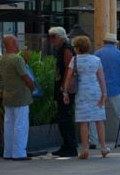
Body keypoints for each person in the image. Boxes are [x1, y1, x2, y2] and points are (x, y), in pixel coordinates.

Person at [64, 34, 109, 157]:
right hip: (96, 91)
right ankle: (103, 147)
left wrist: (65, 92)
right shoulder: (96, 60)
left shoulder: (75, 60)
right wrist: (104, 94)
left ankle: (85, 149)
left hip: (82, 92)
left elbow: (68, 77)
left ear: (77, 48)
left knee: (83, 121)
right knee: (99, 120)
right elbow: (101, 78)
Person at [0, 34, 35, 160]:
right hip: (21, 96)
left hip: (8, 96)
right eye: (17, 42)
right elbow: (25, 76)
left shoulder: (2, 59)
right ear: (13, 43)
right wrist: (33, 87)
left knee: (9, 125)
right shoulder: (17, 59)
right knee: (21, 125)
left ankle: (8, 152)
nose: (18, 44)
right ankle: (19, 153)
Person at [45, 26, 78, 158]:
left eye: (53, 36)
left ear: (60, 37)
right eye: (50, 36)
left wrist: (65, 88)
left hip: (65, 89)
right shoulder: (60, 49)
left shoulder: (66, 49)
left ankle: (70, 146)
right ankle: (67, 144)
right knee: (63, 117)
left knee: (66, 117)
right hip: (61, 87)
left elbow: (69, 70)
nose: (51, 39)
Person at [97, 35, 120, 148]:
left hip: (99, 89)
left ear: (104, 42)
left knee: (95, 116)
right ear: (115, 43)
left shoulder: (97, 54)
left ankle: (93, 141)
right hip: (116, 89)